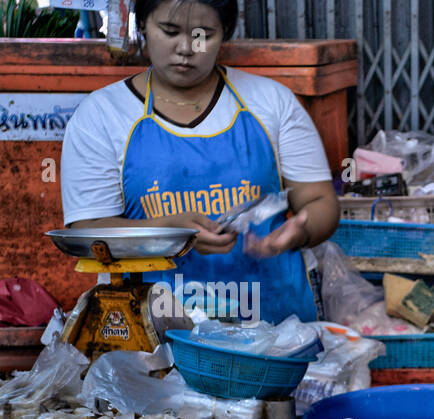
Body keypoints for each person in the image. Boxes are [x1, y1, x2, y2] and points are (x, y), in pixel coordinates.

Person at [60, 0, 339, 323]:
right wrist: (169, 231)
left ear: (225, 35)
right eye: (169, 31)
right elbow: (88, 231)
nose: (185, 48)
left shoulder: (272, 102)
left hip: (274, 333)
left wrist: (300, 232)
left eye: (202, 35)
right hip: (151, 336)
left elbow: (320, 201)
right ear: (142, 28)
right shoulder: (102, 115)